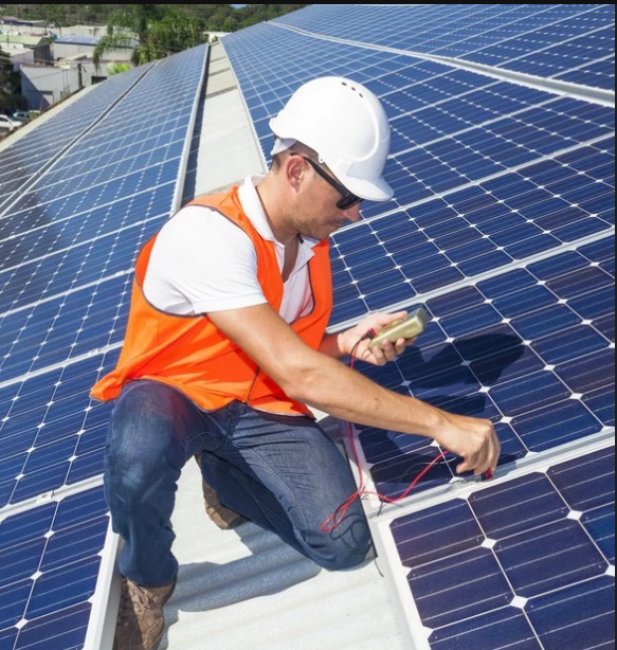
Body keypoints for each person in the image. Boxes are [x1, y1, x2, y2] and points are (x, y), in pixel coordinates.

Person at [91, 76, 500, 650]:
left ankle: (227, 482)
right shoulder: (209, 235)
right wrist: (441, 422)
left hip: (253, 399)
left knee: (344, 543)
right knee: (137, 458)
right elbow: (299, 373)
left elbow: (293, 348)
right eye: (347, 198)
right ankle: (149, 578)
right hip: (174, 394)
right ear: (298, 170)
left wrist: (350, 340)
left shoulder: (309, 246)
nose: (355, 214)